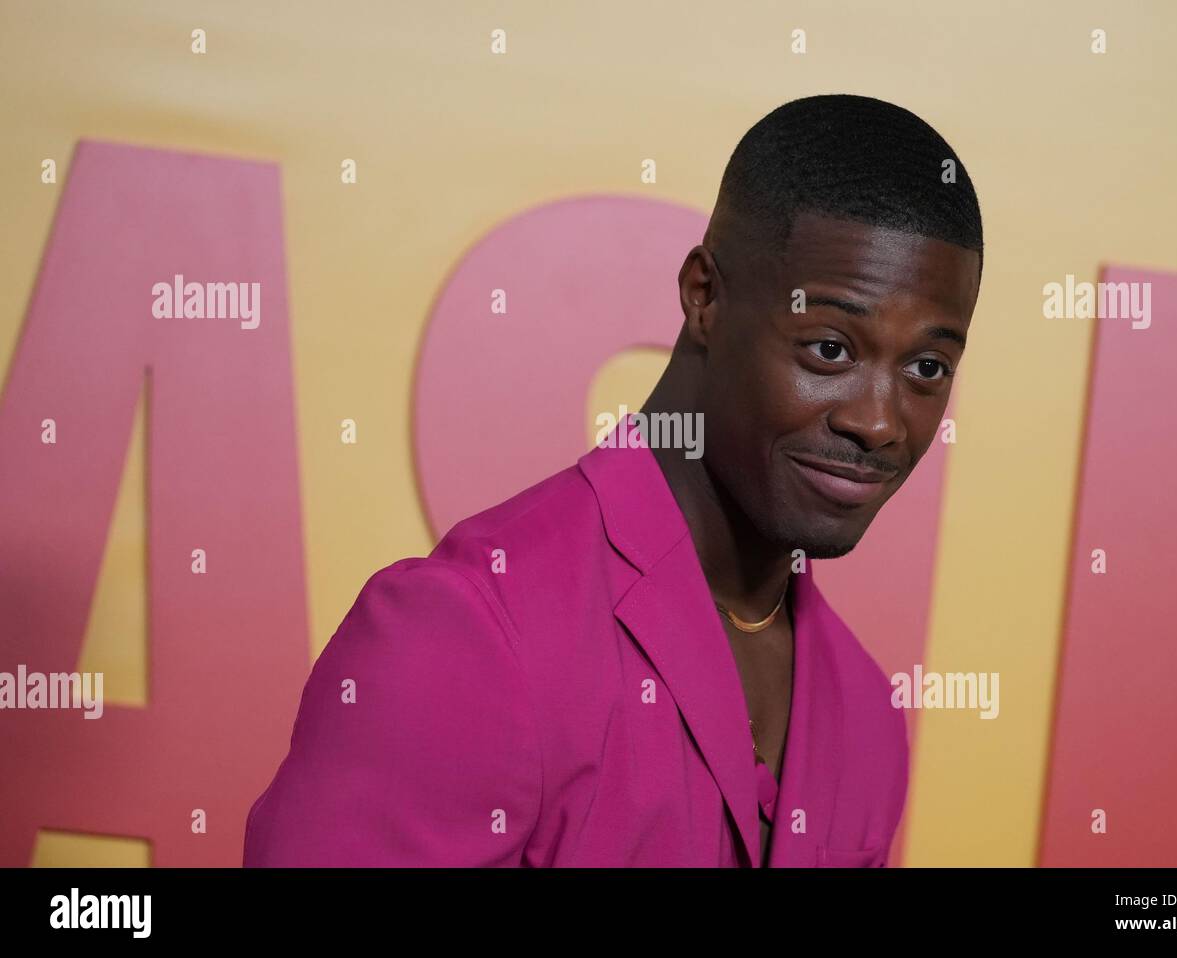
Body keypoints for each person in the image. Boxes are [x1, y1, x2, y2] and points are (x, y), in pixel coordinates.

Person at [244, 93, 983, 868]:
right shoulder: (470, 633)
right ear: (705, 296)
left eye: (927, 368)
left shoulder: (865, 720)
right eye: (829, 350)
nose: (879, 422)